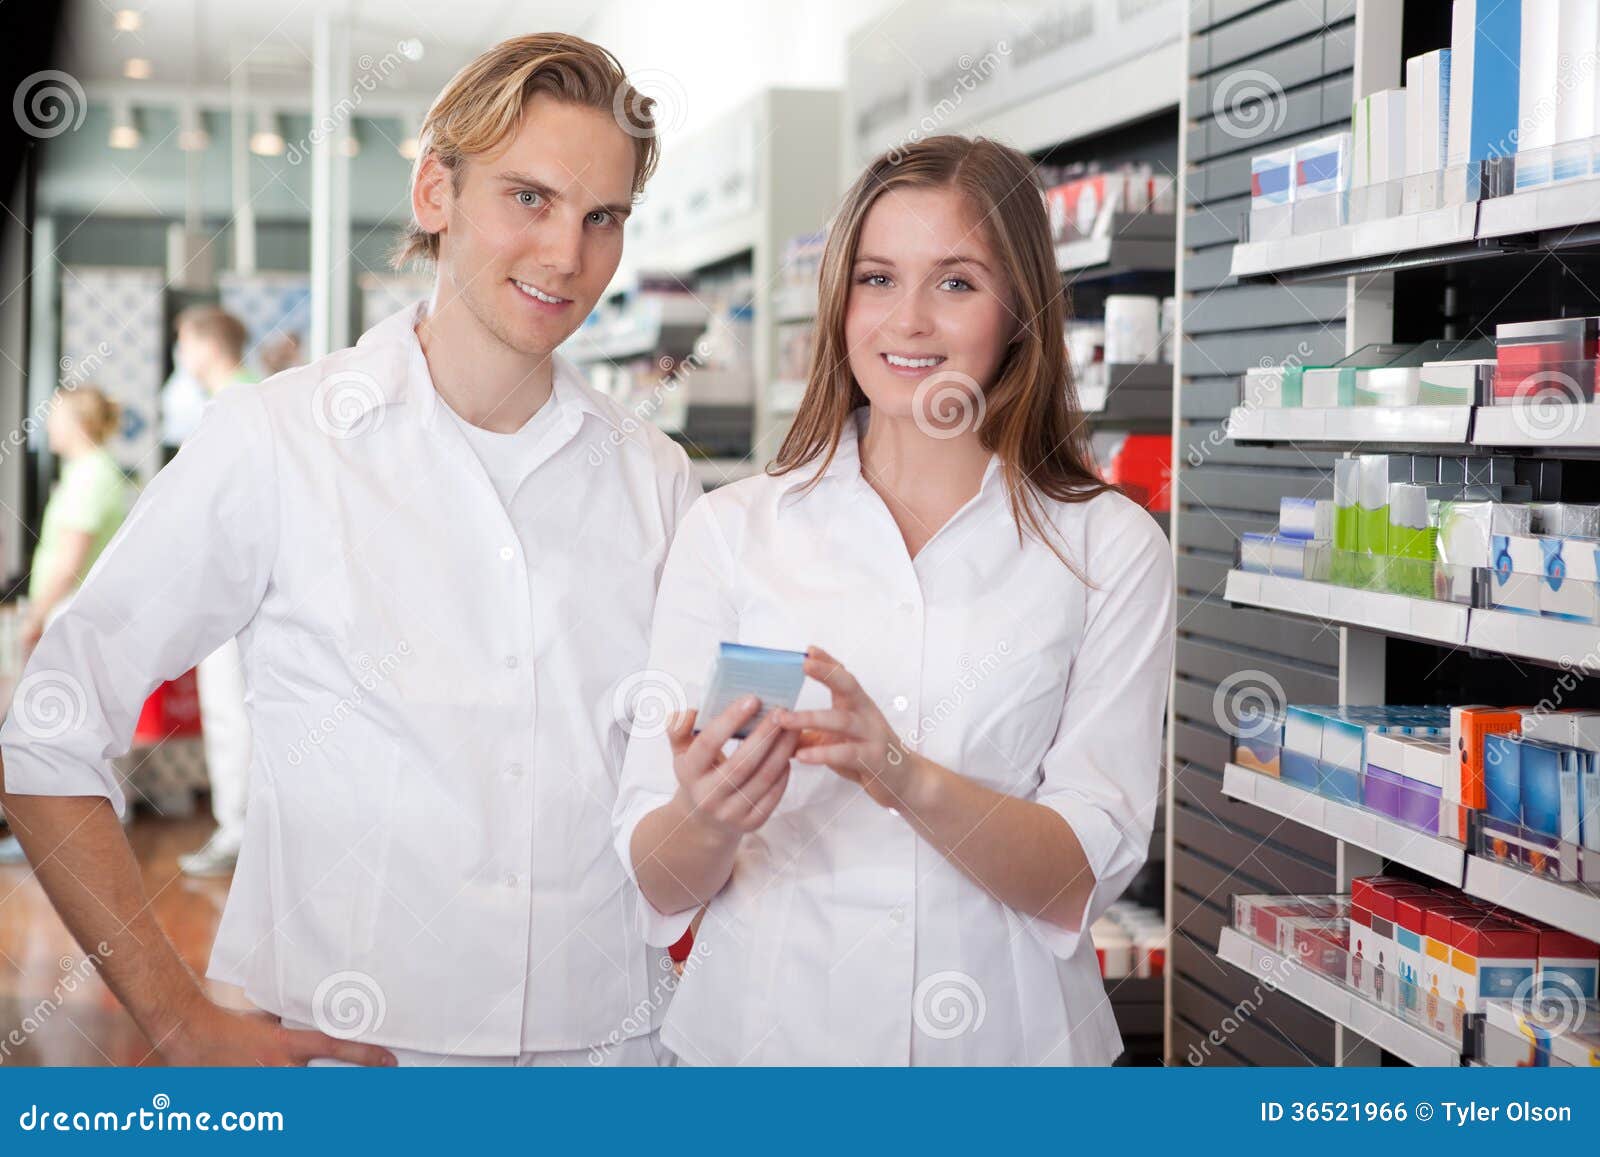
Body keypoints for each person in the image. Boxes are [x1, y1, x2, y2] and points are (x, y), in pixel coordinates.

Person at [0, 33, 695, 1067]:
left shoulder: (652, 475)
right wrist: (176, 1017)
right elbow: (48, 730)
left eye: (604, 217)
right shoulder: (279, 441)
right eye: (530, 198)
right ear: (435, 192)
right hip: (353, 1063)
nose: (567, 254)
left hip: (615, 1058)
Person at [614, 134, 1175, 1066]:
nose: (908, 321)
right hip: (766, 1046)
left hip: (1005, 1053)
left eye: (956, 282)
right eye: (877, 279)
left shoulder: (1108, 547)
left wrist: (902, 773)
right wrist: (708, 813)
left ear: (1021, 308)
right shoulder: (733, 531)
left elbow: (1081, 873)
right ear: (840, 301)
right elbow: (658, 877)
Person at [0, 387, 133, 866]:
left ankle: (55, 840)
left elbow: (69, 560)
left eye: (54, 416)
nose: (46, 424)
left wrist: (36, 616)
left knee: (57, 732)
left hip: (68, 613)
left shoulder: (92, 475)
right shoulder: (89, 472)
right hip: (73, 614)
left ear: (77, 422)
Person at [168, 307, 261, 878]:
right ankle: (244, 830)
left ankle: (239, 833)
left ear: (205, 344)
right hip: (240, 582)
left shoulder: (235, 404)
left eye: (183, 342)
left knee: (231, 711)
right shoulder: (252, 396)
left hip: (233, 586)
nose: (180, 355)